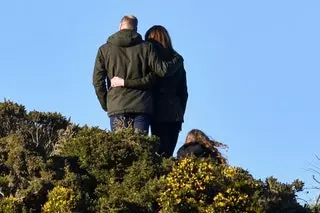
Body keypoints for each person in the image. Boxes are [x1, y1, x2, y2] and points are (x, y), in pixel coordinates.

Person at [92, 16, 183, 134]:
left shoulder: (104, 50)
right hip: (142, 105)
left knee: (121, 148)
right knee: (141, 147)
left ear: (120, 26)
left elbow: (97, 81)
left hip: (117, 104)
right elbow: (160, 72)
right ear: (136, 28)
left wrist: (106, 103)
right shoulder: (147, 47)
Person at [111, 25, 188, 157]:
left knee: (154, 152)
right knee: (168, 153)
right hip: (175, 112)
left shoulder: (151, 59)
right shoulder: (177, 60)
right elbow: (184, 92)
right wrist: (181, 113)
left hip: (155, 109)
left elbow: (147, 81)